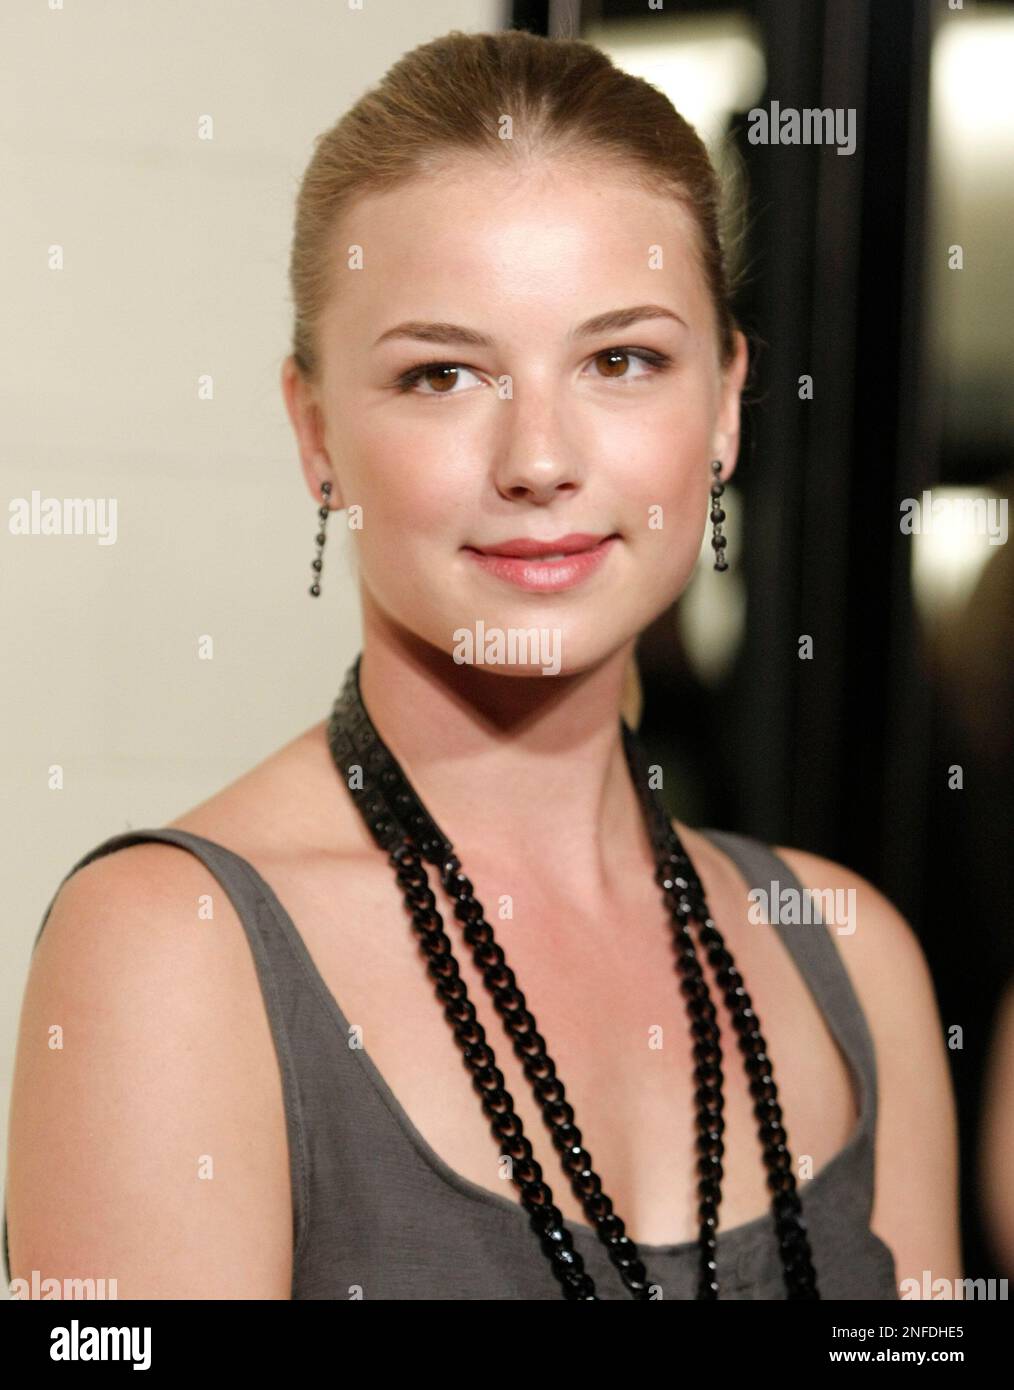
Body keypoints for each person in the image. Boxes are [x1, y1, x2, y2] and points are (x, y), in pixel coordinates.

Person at [4, 29, 961, 1301]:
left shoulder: (852, 958)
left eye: (622, 360)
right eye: (443, 373)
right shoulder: (171, 953)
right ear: (317, 432)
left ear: (726, 404)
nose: (540, 458)